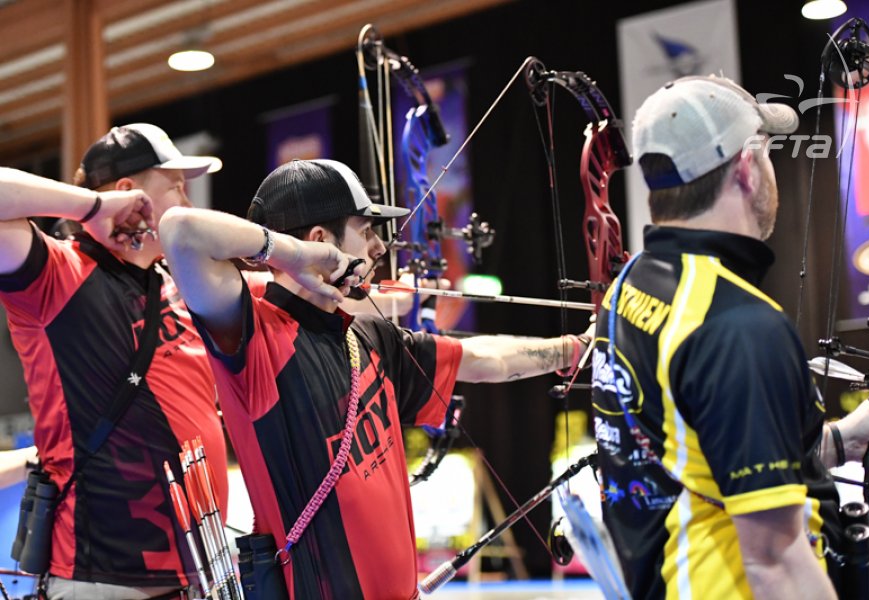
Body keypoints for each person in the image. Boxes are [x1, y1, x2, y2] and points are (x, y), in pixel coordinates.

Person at [158, 158, 591, 599]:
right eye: (365, 231)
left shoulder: (367, 336)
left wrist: (578, 347)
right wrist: (297, 254)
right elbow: (179, 230)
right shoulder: (255, 340)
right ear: (320, 240)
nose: (379, 247)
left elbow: (481, 360)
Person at [590, 75, 869, 599]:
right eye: (767, 151)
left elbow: (704, 458)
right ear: (745, 168)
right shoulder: (736, 324)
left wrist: (839, 442)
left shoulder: (630, 288)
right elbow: (774, 561)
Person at [0, 123, 228, 599]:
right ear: (128, 191)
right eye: (176, 187)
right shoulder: (57, 275)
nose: (188, 205)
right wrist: (94, 206)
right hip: (104, 576)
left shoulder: (176, 284)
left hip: (198, 569)